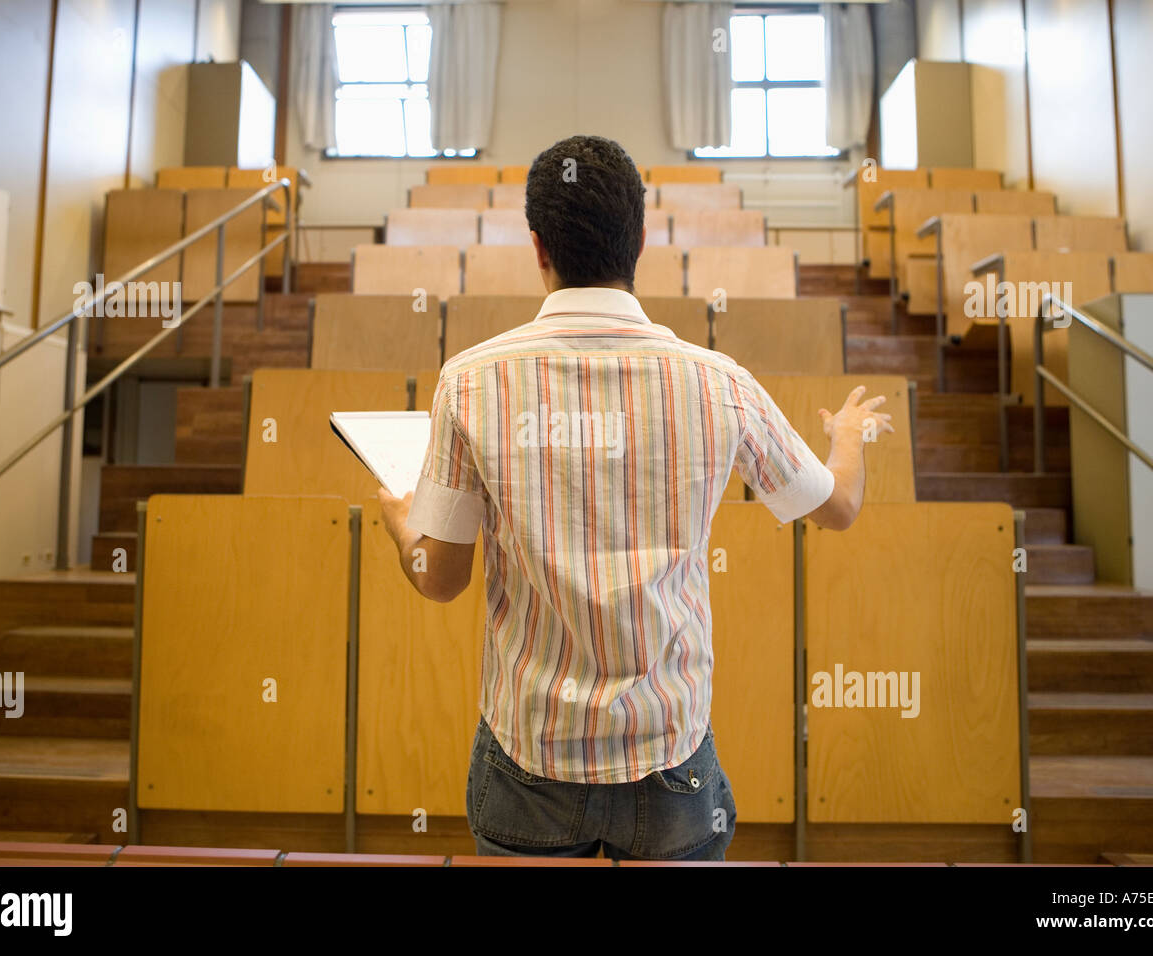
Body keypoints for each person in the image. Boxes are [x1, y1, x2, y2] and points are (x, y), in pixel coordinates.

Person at [375, 135, 893, 860]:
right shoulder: (719, 383)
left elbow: (441, 579)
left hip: (528, 758)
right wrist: (848, 435)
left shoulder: (469, 381)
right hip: (670, 760)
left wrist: (402, 526)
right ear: (640, 241)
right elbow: (836, 508)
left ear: (536, 247)